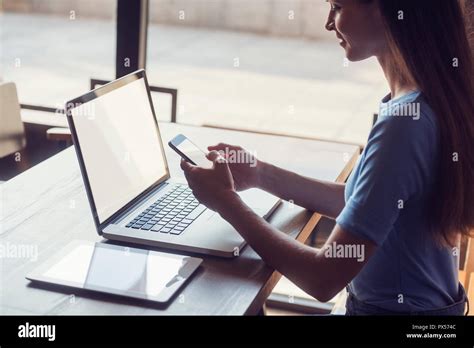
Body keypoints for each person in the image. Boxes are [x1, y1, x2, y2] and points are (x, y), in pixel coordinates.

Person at [180, 0, 474, 315]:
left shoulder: (404, 125)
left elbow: (322, 278)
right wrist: (259, 174)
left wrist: (226, 202)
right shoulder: (425, 100)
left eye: (336, 6)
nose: (328, 23)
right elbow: (360, 204)